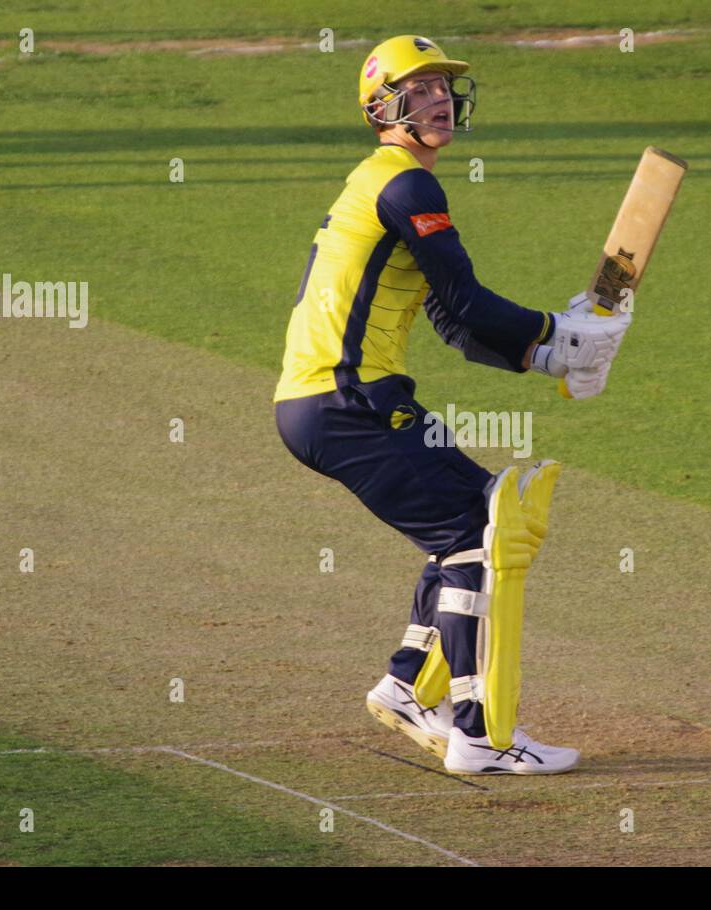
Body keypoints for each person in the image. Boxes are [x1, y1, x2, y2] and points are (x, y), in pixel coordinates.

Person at [273, 35, 631, 774]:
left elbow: (452, 323)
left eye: (443, 86)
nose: (438, 98)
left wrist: (544, 357)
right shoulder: (405, 184)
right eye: (421, 87)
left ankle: (408, 687)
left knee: (473, 520)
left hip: (333, 401)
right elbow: (469, 300)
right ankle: (477, 733)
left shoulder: (390, 183)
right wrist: (560, 333)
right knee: (476, 533)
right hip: (345, 400)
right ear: (383, 107)